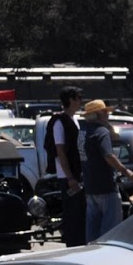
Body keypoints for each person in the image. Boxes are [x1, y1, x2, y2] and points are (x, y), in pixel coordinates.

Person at [77, 100, 133, 242]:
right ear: (99, 114)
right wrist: (125, 170)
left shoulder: (83, 132)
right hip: (106, 186)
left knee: (92, 228)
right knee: (110, 230)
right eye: (105, 112)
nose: (108, 115)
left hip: (90, 187)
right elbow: (108, 155)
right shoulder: (101, 132)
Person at [46, 86, 87, 246]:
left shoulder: (74, 119)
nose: (81, 101)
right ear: (71, 100)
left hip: (77, 173)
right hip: (68, 176)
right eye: (79, 98)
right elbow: (60, 151)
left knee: (81, 212)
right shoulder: (59, 121)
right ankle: (73, 244)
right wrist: (70, 177)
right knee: (72, 214)